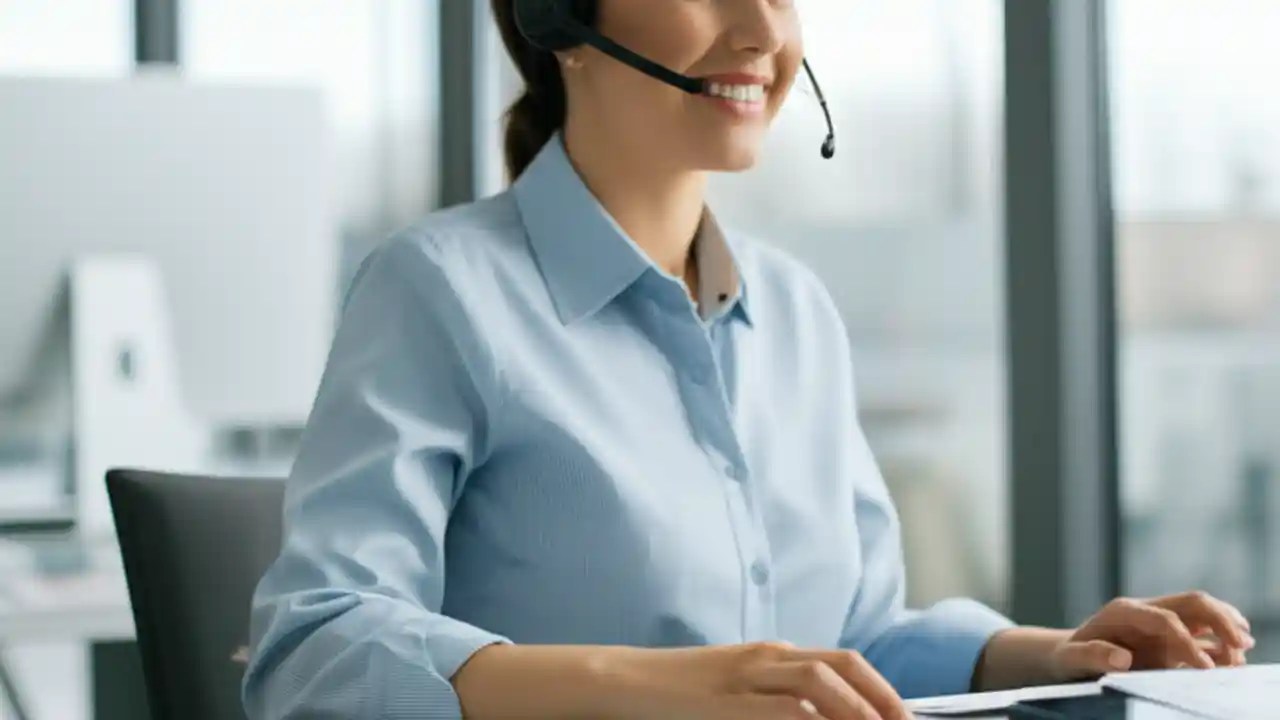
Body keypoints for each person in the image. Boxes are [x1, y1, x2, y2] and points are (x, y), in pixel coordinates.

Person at [242, 1, 1256, 718]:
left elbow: (850, 635)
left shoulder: (795, 314)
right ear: (559, 19)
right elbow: (312, 651)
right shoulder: (436, 291)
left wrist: (1056, 656)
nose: (763, 31)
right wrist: (649, 689)